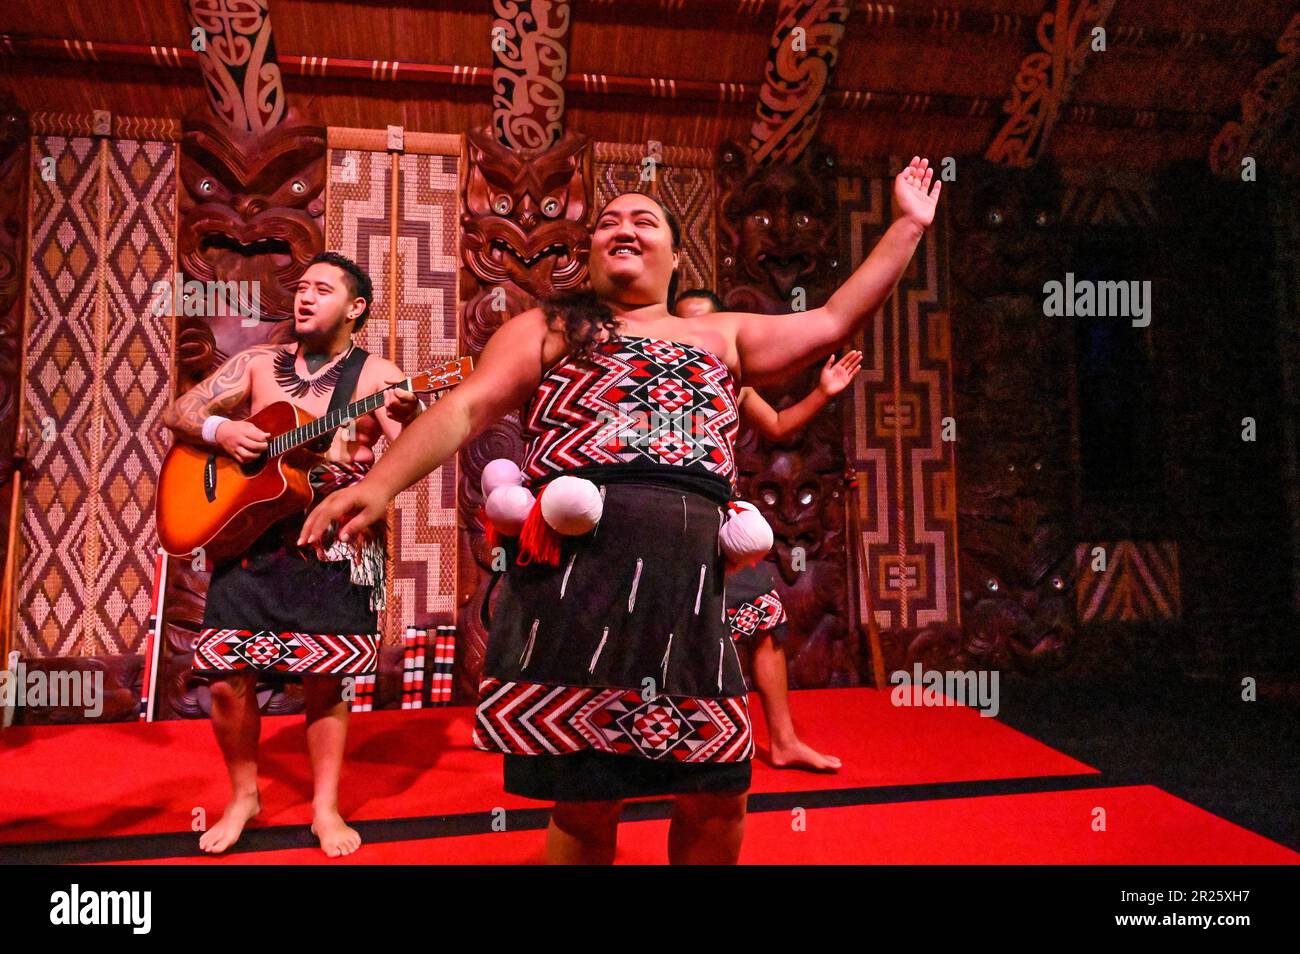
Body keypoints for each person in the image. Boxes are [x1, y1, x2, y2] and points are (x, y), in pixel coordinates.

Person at [300, 157, 941, 864]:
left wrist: (909, 224)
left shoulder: (722, 335)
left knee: (720, 787)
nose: (621, 228)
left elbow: (833, 319)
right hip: (579, 586)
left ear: (674, 255)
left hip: (689, 588)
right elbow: (465, 408)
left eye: (643, 219)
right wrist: (381, 483)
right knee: (588, 797)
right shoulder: (547, 328)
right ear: (592, 256)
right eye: (607, 222)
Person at [161, 251, 422, 857]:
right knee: (225, 680)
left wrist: (408, 419)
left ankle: (325, 808)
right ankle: (245, 794)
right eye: (301, 287)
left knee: (325, 683)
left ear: (355, 308)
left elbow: (412, 456)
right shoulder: (255, 365)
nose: (304, 297)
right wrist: (221, 432)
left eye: (322, 289)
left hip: (333, 545)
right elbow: (178, 413)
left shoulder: (379, 376)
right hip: (252, 538)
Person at [675, 287, 859, 772]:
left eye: (705, 325)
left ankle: (783, 739)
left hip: (715, 516)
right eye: (683, 322)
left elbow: (777, 425)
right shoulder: (647, 375)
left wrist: (822, 392)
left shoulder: (734, 383)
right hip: (660, 517)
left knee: (763, 606)